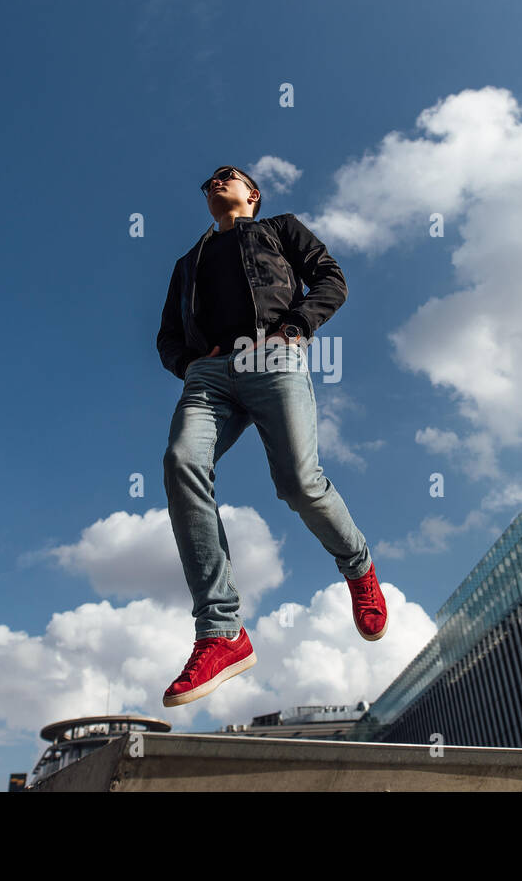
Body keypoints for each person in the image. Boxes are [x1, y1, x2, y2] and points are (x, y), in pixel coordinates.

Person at [155, 165, 388, 708]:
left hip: (274, 355)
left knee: (298, 483)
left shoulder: (280, 228)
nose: (214, 182)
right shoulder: (187, 263)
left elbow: (332, 278)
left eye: (227, 176)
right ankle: (222, 633)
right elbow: (167, 334)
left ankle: (359, 568)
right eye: (207, 180)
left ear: (251, 194)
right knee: (180, 460)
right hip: (210, 376)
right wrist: (190, 363)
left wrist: (295, 328)